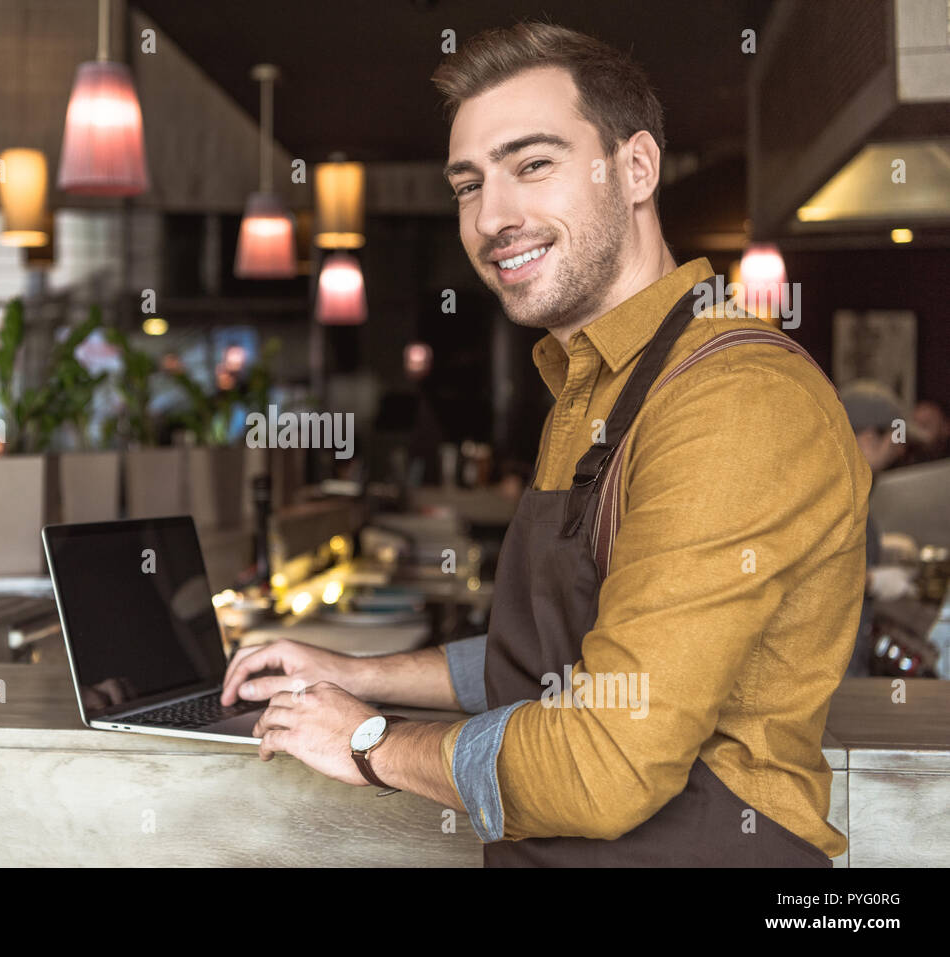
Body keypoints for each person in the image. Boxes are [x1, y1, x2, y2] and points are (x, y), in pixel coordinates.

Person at [221, 22, 868, 866]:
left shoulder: (734, 400)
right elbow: (563, 656)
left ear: (636, 169)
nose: (493, 217)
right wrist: (359, 672)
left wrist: (370, 740)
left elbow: (603, 765)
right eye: (467, 184)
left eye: (533, 165)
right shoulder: (591, 379)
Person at [839, 380, 922, 675]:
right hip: (829, 673)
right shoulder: (836, 488)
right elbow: (806, 571)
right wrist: (872, 581)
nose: (900, 451)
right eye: (896, 439)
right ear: (870, 438)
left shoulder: (854, 486)